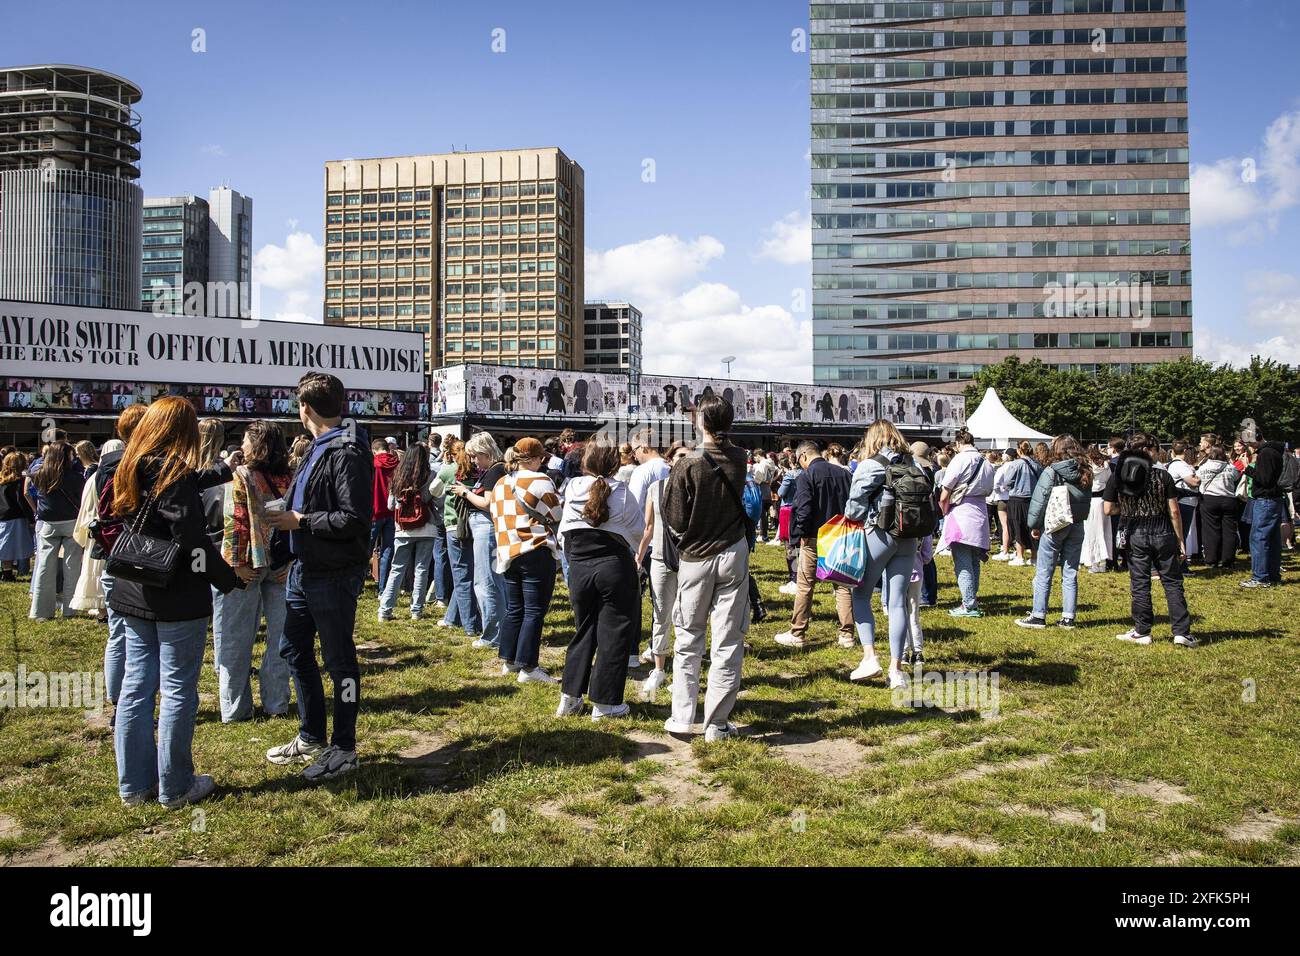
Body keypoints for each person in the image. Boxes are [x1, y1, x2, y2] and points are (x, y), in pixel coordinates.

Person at [109, 397, 244, 808]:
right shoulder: (171, 470)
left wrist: (218, 471)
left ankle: (133, 786)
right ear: (179, 430)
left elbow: (174, 492)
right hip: (176, 594)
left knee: (136, 687)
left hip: (134, 588)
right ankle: (175, 785)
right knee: (178, 689)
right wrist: (227, 579)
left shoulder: (130, 463)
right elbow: (190, 538)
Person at [265, 372, 374, 781]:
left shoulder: (346, 450)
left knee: (340, 662)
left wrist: (301, 520)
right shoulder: (320, 446)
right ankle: (312, 734)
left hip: (332, 572)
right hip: (304, 568)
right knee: (293, 649)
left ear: (304, 408)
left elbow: (354, 518)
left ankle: (344, 747)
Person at [661, 395, 749, 741]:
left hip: (696, 556)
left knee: (689, 636)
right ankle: (716, 723)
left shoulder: (688, 463)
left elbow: (674, 517)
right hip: (732, 551)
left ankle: (683, 717)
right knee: (728, 640)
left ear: (700, 422)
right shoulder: (740, 457)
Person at [555, 441, 645, 719]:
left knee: (584, 630)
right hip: (613, 566)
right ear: (615, 464)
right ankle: (606, 704)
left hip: (579, 567)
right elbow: (639, 532)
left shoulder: (571, 487)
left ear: (585, 462)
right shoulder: (622, 492)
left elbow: (563, 528)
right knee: (614, 633)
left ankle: (569, 698)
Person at [213, 421, 294, 722]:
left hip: (247, 562)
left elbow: (235, 521)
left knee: (235, 637)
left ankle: (235, 708)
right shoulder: (291, 476)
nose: (242, 446)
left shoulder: (241, 475)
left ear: (257, 445)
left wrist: (235, 565)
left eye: (246, 441)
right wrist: (294, 559)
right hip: (281, 563)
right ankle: (277, 702)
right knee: (281, 637)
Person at [843, 420, 922, 690]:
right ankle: (896, 669)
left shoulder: (871, 464)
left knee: (861, 594)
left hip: (879, 532)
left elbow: (854, 508)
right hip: (909, 535)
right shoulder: (914, 463)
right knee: (898, 601)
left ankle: (869, 657)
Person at [1105, 433, 1195, 647]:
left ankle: (1142, 630)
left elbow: (1108, 509)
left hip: (1135, 531)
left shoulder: (1120, 475)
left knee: (1140, 582)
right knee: (1172, 582)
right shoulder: (1163, 476)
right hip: (1162, 530)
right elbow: (1174, 511)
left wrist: (1126, 510)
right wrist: (1180, 538)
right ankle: (1182, 632)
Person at [93, 404, 150, 712]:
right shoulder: (137, 465)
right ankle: (127, 700)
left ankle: (116, 698)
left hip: (113, 553)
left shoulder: (108, 464)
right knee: (134, 636)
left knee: (118, 632)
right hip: (139, 556)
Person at [492, 437, 562, 684]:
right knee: (534, 610)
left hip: (508, 550)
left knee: (515, 608)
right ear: (535, 459)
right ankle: (529, 667)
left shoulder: (502, 482)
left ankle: (510, 660)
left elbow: (494, 513)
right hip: (535, 548)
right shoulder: (542, 481)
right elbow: (556, 513)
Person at [773, 441, 854, 650]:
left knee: (805, 585)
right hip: (840, 535)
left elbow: (804, 508)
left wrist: (800, 533)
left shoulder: (806, 476)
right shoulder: (844, 474)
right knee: (842, 585)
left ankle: (798, 632)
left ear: (803, 456)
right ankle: (847, 635)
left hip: (813, 537)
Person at [1016, 435, 1093, 630]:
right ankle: (1068, 617)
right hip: (1076, 523)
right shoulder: (1085, 471)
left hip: (1055, 524)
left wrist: (1034, 524)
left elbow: (1039, 500)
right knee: (1070, 572)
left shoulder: (1051, 471)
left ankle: (1039, 614)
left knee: (1044, 570)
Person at [448, 432, 508, 650]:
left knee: (486, 583)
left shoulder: (494, 471)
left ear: (486, 453)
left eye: (476, 456)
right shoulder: (497, 469)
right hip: (487, 529)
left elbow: (488, 503)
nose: (474, 461)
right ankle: (498, 632)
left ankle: (493, 635)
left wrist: (465, 493)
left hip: (487, 529)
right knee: (491, 582)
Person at [378, 441, 442, 622]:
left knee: (397, 569)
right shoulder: (431, 475)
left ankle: (385, 610)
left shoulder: (398, 476)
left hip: (403, 528)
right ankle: (416, 611)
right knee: (421, 569)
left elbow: (391, 505)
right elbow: (436, 501)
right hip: (427, 525)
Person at [939, 429, 995, 618]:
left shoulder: (960, 459)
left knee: (962, 561)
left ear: (957, 444)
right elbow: (990, 488)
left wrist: (943, 509)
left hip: (961, 511)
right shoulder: (986, 462)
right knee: (973, 560)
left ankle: (969, 604)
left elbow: (946, 490)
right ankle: (971, 599)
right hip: (980, 510)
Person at [27, 439, 86, 620]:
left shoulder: (38, 474)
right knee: (72, 566)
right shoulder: (76, 477)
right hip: (70, 523)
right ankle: (70, 610)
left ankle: (40, 611)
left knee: (44, 567)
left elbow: (30, 483)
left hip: (47, 523)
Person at [436, 439, 482, 637]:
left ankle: (471, 625)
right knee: (465, 573)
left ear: (451, 453)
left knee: (461, 575)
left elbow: (433, 490)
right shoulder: (477, 470)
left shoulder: (448, 470)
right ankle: (452, 617)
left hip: (453, 526)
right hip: (473, 525)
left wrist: (445, 466)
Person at [1242, 438, 1287, 589]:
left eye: (1248, 443)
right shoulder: (1274, 451)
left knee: (1259, 538)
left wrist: (1247, 467)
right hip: (1273, 499)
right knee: (1272, 539)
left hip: (1265, 499)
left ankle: (1260, 577)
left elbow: (1264, 479)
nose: (1247, 446)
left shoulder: (1266, 453)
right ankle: (1272, 575)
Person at [1196, 444, 1240, 570]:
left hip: (1209, 499)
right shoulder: (1230, 467)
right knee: (1229, 531)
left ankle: (1211, 559)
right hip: (1228, 499)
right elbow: (1236, 477)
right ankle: (1228, 560)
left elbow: (1197, 479)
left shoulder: (1204, 467)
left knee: (1210, 530)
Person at [1002, 440, 1041, 566]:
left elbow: (1007, 482)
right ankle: (1034, 557)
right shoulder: (1037, 464)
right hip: (1033, 500)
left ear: (1019, 450)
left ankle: (1020, 556)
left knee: (1017, 526)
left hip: (1017, 499)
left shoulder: (1015, 464)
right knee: (1032, 527)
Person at [370, 438, 399, 591]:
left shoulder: (372, 464)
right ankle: (384, 588)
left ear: (374, 450)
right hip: (392, 511)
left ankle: (358, 585)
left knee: (366, 549)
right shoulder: (397, 463)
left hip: (374, 511)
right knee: (388, 550)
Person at [0, 451, 34, 581]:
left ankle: (6, 571)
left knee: (4, 547)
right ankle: (11, 572)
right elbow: (22, 501)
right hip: (16, 518)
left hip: (3, 517)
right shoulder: (20, 481)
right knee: (12, 547)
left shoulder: (2, 480)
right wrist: (31, 518)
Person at [1167, 441, 1201, 570]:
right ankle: (1180, 565)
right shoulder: (1181, 465)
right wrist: (1198, 477)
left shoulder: (1177, 465)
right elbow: (1193, 481)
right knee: (1181, 534)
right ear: (1186, 451)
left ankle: (1178, 564)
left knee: (1181, 534)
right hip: (1183, 502)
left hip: (1185, 502)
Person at [902, 530, 933, 666]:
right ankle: (917, 653)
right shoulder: (924, 524)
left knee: (898, 612)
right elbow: (927, 557)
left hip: (896, 573)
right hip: (916, 571)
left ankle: (902, 652)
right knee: (914, 614)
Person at [1081, 445, 1113, 573]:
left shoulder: (1087, 467)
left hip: (1091, 501)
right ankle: (1103, 563)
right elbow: (1109, 481)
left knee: (1091, 532)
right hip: (1103, 501)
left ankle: (1092, 563)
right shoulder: (1105, 466)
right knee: (1104, 531)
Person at [990, 448, 1015, 561]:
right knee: (1014, 525)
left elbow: (995, 484)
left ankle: (1005, 550)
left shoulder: (1003, 468)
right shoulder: (1017, 466)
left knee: (1005, 526)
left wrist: (1000, 491)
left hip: (1003, 499)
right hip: (1014, 498)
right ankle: (1016, 549)